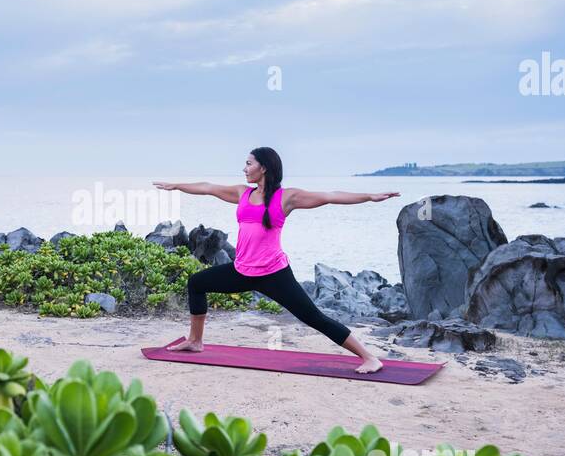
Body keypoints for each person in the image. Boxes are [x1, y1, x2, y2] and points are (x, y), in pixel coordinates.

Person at [152, 146, 399, 374]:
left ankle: (369, 357)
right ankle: (195, 341)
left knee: (313, 317)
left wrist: (369, 196)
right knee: (197, 282)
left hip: (273, 274)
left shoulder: (286, 198)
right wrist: (176, 186)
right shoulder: (242, 193)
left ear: (264, 167)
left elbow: (330, 196)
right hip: (242, 271)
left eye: (249, 164)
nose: (244, 168)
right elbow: (207, 187)